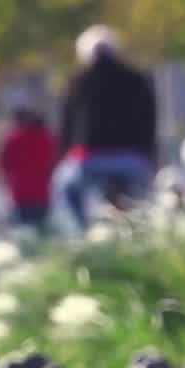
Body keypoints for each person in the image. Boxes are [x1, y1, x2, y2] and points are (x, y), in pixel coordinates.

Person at [53, 25, 158, 231]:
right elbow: (150, 121)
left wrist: (64, 153)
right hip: (131, 160)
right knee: (140, 200)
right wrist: (148, 155)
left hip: (90, 161)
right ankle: (138, 232)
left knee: (63, 186)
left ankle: (80, 233)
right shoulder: (137, 80)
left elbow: (66, 127)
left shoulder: (78, 82)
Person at [0, 106, 57, 234]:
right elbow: (56, 162)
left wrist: (9, 180)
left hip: (19, 194)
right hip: (42, 194)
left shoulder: (13, 138)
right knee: (42, 236)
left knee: (21, 236)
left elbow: (1, 163)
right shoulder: (47, 138)